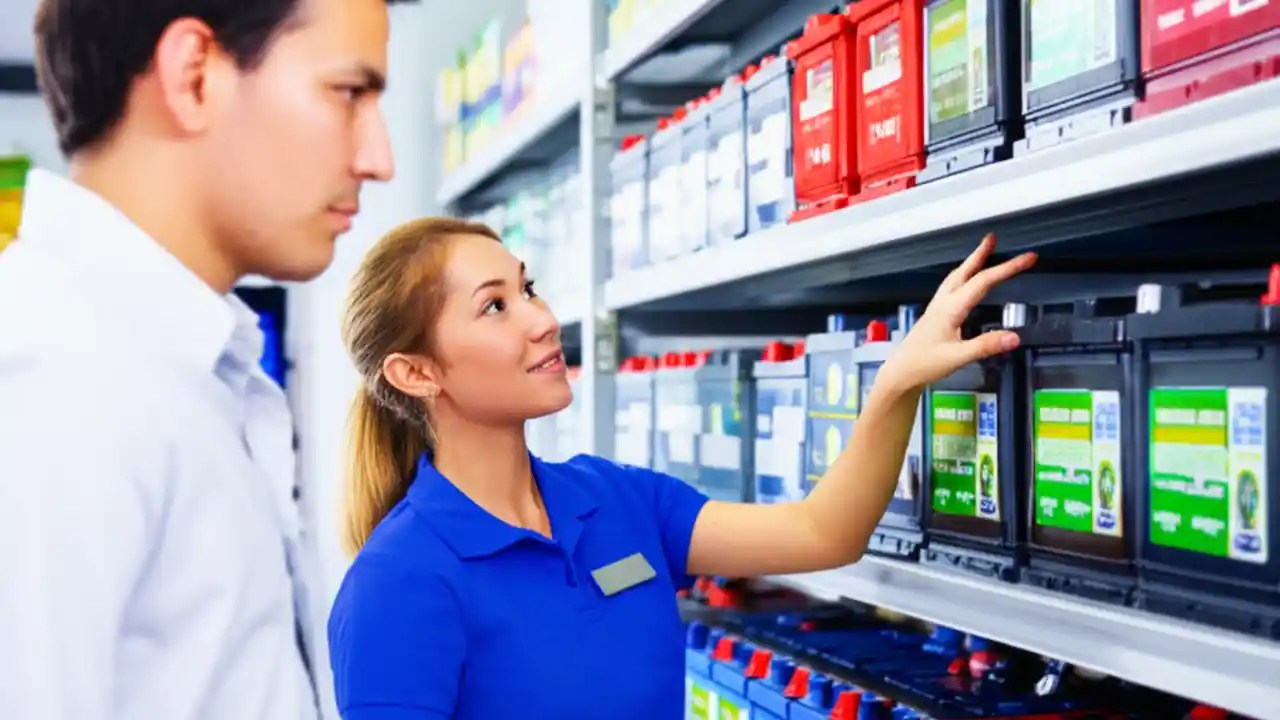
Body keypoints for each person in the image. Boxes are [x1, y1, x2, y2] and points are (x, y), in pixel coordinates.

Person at [326, 218, 1037, 719]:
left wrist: (895, 382)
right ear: (416, 373)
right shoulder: (399, 583)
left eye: (528, 288)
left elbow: (825, 532)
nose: (541, 320)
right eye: (494, 307)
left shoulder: (614, 501)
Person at [0, 0, 394, 717]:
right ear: (194, 77)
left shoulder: (171, 367)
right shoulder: (54, 380)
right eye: (348, 93)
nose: (380, 158)